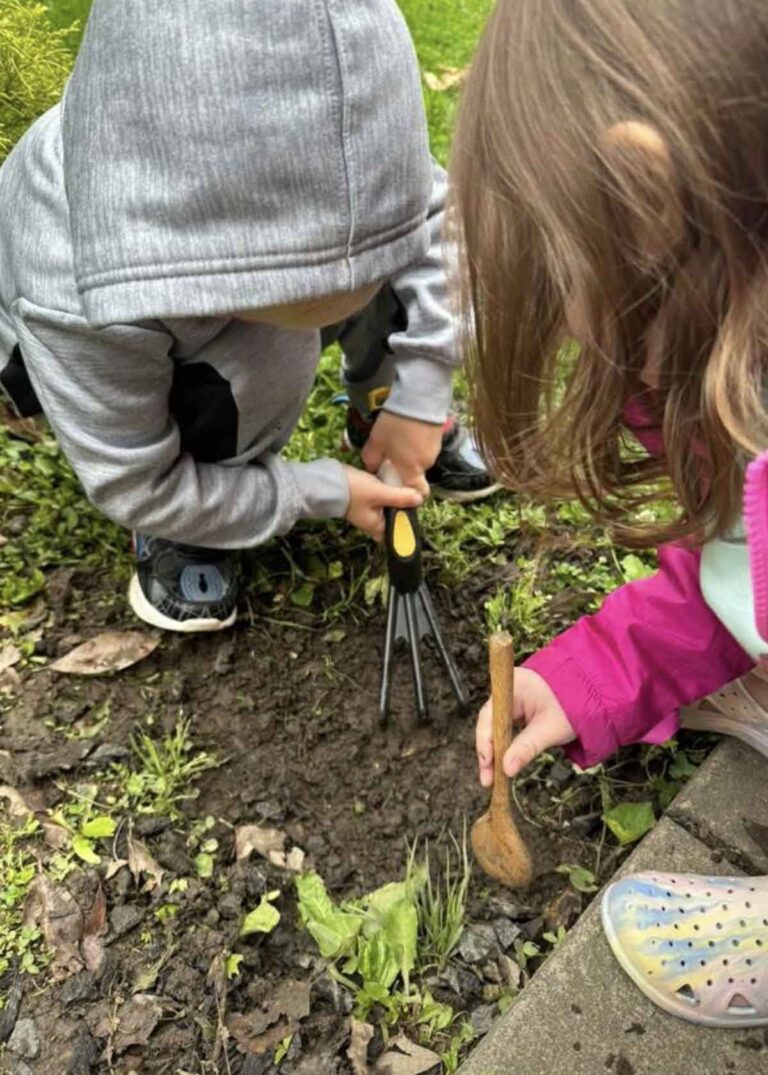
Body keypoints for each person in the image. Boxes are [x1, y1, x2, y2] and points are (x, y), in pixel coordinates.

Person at [452, 0, 768, 1026]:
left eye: (554, 258)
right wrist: (594, 676)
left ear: (645, 196)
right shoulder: (720, 362)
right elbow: (728, 578)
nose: (553, 298)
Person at [0, 0, 495, 634]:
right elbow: (134, 480)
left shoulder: (338, 148)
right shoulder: (76, 298)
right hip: (114, 343)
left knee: (386, 265)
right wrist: (317, 491)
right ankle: (192, 523)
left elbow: (433, 227)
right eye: (304, 299)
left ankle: (379, 412)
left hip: (205, 295)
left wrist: (420, 394)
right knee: (258, 370)